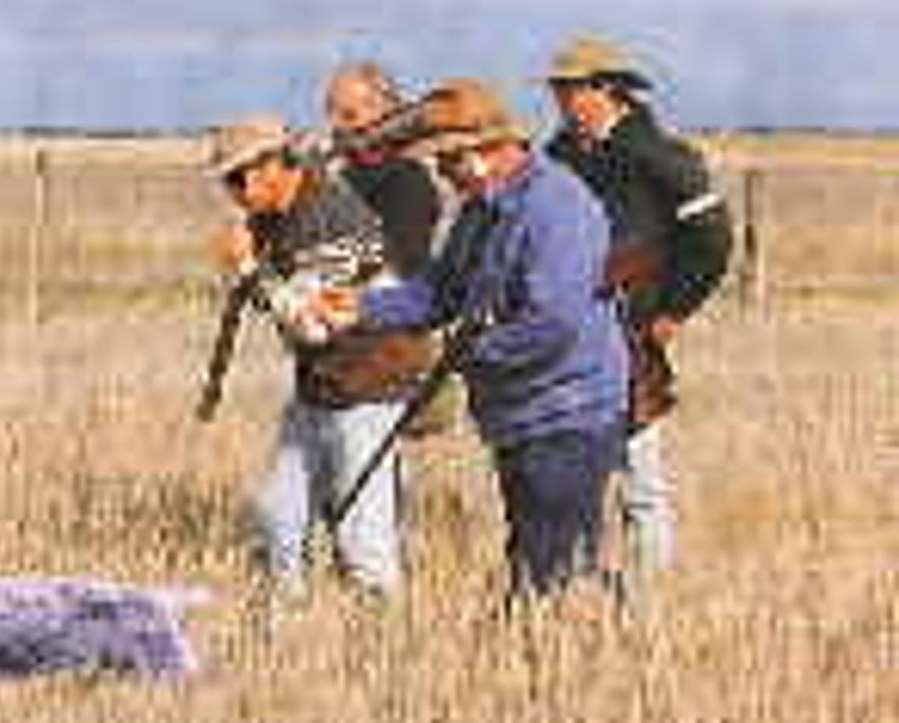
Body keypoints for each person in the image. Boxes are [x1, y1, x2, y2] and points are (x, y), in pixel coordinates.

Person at [309, 79, 628, 598]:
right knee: (541, 559)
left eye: (448, 162)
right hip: (519, 416)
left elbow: (553, 323)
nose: (443, 174)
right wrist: (362, 308)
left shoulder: (557, 207)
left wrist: (466, 355)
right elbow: (441, 290)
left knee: (553, 568)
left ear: (486, 151)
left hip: (567, 415)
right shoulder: (482, 208)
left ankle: (577, 652)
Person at [207, 64, 441, 608]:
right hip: (325, 381)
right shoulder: (291, 206)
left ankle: (381, 649)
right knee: (279, 515)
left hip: (373, 380)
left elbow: (311, 323)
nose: (232, 194)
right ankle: (282, 628)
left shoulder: (332, 215)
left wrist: (248, 270)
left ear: (271, 168)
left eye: (237, 178)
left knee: (365, 537)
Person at [544, 36, 733, 578]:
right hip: (569, 330)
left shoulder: (658, 155)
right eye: (559, 89)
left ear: (608, 89)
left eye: (572, 88)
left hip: (632, 327)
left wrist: (674, 309)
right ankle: (573, 584)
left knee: (638, 475)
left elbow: (713, 240)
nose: (562, 99)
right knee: (569, 467)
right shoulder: (560, 156)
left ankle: (652, 597)